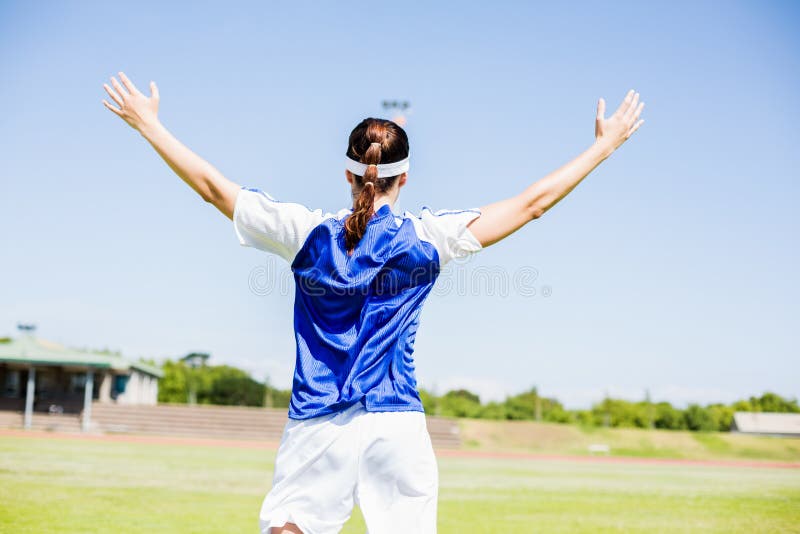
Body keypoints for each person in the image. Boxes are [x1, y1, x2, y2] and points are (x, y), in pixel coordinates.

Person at [102, 72, 644, 534]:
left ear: (348, 173)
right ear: (403, 176)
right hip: (397, 428)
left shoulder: (305, 232)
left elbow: (212, 188)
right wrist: (604, 146)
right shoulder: (431, 236)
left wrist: (147, 122)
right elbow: (530, 206)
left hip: (317, 424)